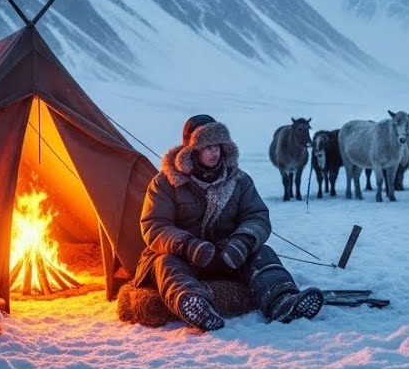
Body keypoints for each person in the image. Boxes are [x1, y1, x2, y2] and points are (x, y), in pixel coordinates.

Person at [133, 114, 324, 332]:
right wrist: (187, 245)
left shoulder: (239, 180)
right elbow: (155, 225)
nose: (215, 151)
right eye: (208, 147)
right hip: (185, 256)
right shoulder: (165, 182)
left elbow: (257, 216)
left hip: (229, 255)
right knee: (165, 262)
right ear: (192, 150)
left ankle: (283, 301)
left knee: (263, 253)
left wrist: (243, 241)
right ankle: (195, 306)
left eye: (218, 145)